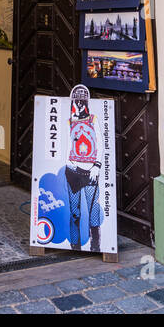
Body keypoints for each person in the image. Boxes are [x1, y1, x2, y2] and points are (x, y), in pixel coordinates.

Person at [65, 85, 103, 252]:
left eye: (82, 102)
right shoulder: (69, 121)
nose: (79, 105)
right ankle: (75, 244)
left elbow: (100, 143)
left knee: (93, 209)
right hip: (73, 171)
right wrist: (68, 161)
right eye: (76, 102)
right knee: (75, 211)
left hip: (90, 172)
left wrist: (97, 165)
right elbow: (67, 144)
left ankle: (96, 245)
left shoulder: (93, 120)